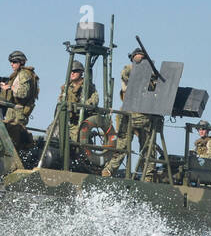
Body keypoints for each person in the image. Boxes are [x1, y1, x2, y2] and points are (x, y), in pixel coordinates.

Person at [103, 49, 154, 179]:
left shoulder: (151, 75)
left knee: (148, 148)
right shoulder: (129, 70)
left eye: (142, 59)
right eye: (137, 58)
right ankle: (109, 170)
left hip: (145, 116)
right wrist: (139, 62)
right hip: (129, 113)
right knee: (122, 145)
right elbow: (127, 73)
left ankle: (148, 177)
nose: (139, 60)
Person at [0, 51, 38, 148]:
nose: (12, 64)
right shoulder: (19, 74)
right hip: (14, 113)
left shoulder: (24, 74)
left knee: (12, 143)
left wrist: (9, 88)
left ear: (21, 62)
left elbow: (23, 93)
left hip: (17, 115)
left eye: (14, 62)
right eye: (11, 61)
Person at [59, 61, 100, 147]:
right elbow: (60, 102)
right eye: (71, 71)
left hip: (79, 121)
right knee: (52, 134)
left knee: (76, 141)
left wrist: (80, 106)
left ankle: (82, 156)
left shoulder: (87, 86)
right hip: (67, 121)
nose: (72, 73)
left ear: (81, 72)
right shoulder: (66, 87)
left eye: (75, 71)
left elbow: (94, 99)